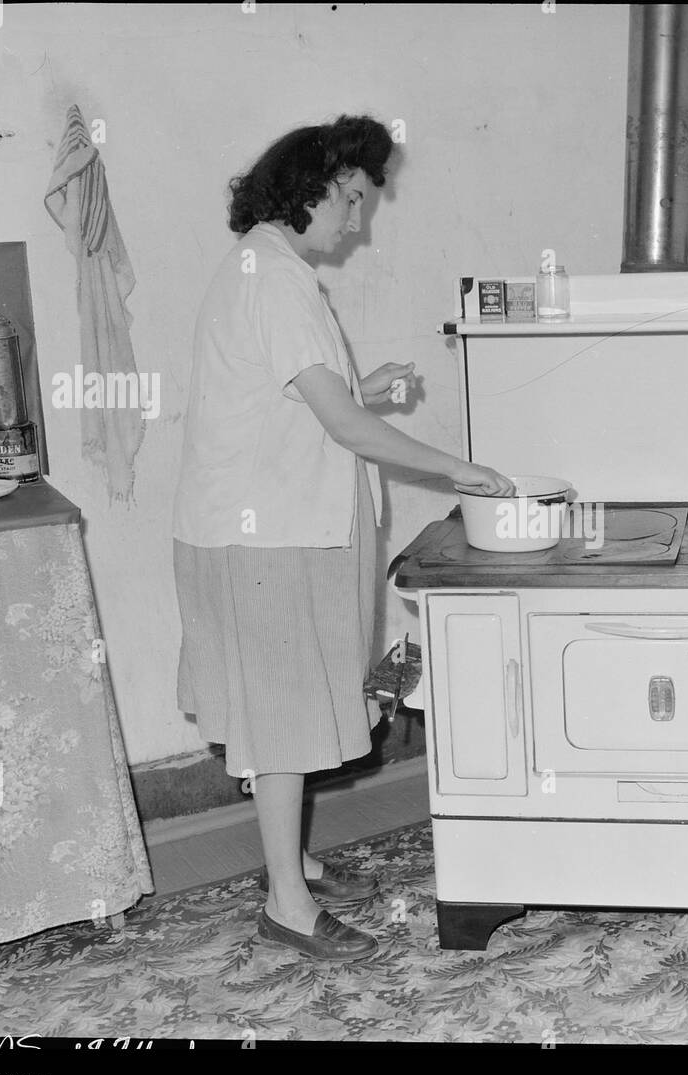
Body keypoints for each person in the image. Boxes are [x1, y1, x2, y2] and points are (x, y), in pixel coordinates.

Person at [172, 116, 513, 961]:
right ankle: (287, 905)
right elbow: (345, 430)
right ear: (312, 187)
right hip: (263, 538)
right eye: (353, 200)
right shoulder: (275, 279)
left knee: (279, 709)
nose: (359, 223)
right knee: (281, 719)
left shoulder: (267, 267)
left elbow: (287, 402)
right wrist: (459, 471)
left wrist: (362, 388)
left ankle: (295, 860)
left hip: (263, 525)